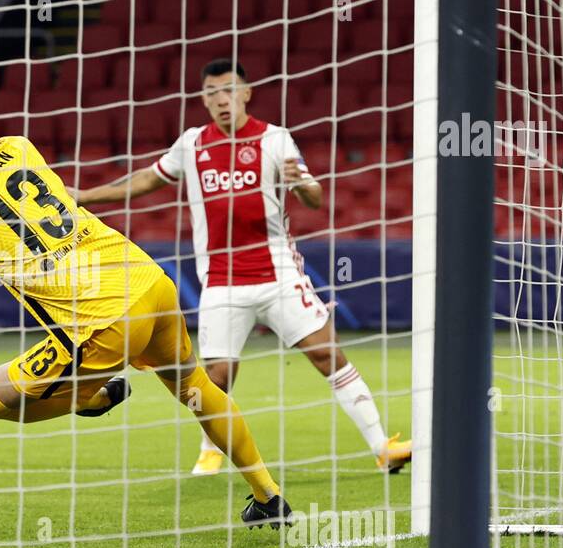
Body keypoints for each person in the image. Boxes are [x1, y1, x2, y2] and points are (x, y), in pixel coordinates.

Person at [0, 87, 293, 528]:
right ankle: (268, 497)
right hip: (147, 281)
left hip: (102, 320)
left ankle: (93, 396)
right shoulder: (21, 147)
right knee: (194, 386)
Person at [73, 59, 411, 477]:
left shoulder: (275, 140)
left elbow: (314, 197)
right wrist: (87, 195)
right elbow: (147, 179)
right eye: (212, 92)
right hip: (221, 282)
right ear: (203, 99)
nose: (221, 99)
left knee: (327, 354)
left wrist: (301, 183)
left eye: (229, 90)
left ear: (246, 93)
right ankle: (209, 450)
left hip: (278, 274)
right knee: (216, 374)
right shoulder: (192, 144)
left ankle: (382, 448)